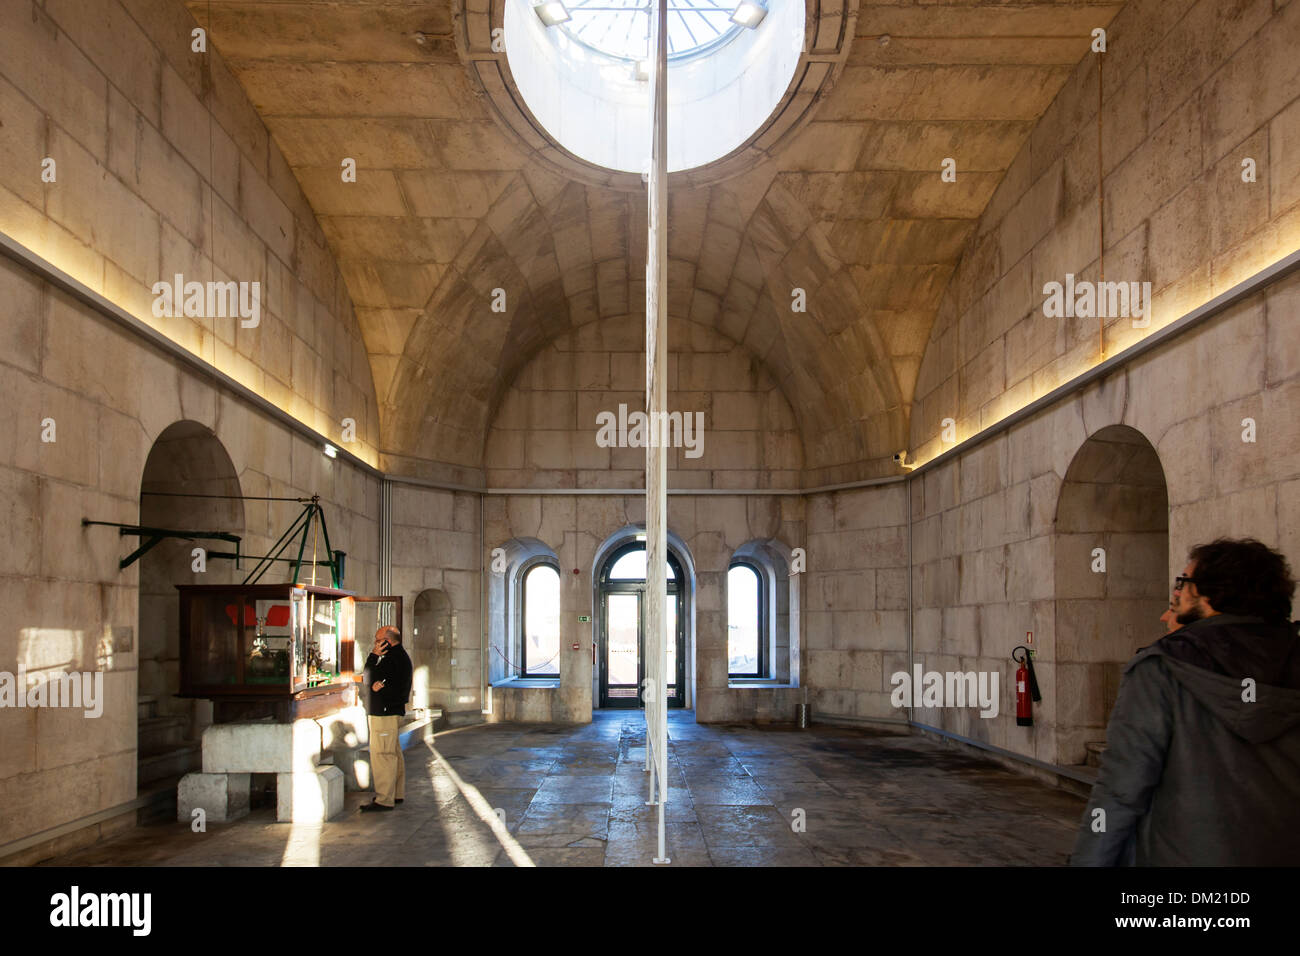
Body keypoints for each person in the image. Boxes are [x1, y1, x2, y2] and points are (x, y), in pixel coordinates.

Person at [1071, 537, 1300, 865]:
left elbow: (1121, 790)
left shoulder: (1161, 668)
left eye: (1184, 583)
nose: (1176, 594)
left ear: (1212, 594)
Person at [360, 625, 412, 813]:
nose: (375, 643)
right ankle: (396, 793)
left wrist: (373, 656)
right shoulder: (399, 656)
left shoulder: (392, 659)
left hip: (384, 712)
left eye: (377, 640)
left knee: (382, 755)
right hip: (390, 711)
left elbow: (367, 677)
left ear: (387, 641)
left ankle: (384, 799)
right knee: (393, 753)